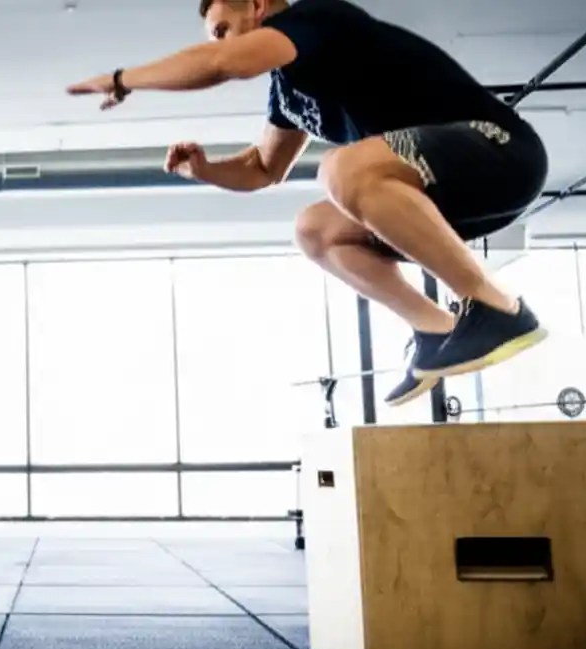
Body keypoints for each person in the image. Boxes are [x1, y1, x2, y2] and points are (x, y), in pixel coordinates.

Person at [67, 0, 549, 405]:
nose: (220, 44)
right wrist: (206, 170)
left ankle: (495, 307)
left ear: (256, 6)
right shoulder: (287, 91)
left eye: (222, 30)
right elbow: (262, 168)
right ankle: (435, 330)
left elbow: (223, 64)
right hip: (446, 198)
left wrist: (121, 78)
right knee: (315, 229)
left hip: (502, 152)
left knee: (343, 169)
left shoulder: (315, 19)